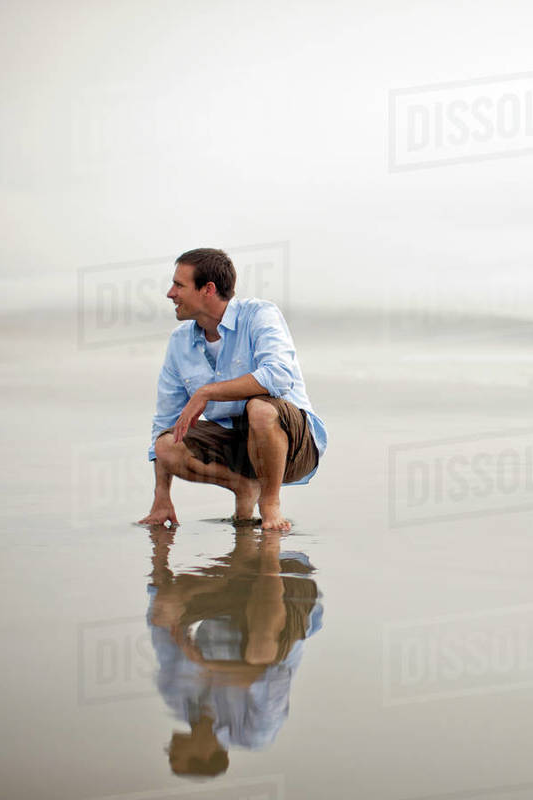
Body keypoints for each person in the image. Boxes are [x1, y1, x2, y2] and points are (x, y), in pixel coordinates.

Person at [138, 248, 327, 531]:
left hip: (293, 445)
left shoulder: (260, 315)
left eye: (179, 285)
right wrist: (161, 496)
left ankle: (270, 504)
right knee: (166, 445)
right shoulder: (179, 342)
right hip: (236, 443)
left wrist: (207, 392)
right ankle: (243, 487)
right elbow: (166, 420)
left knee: (260, 409)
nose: (170, 293)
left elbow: (278, 376)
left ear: (208, 289)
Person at [146, 524, 323, 776]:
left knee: (162, 614)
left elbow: (161, 632)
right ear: (206, 755)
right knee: (259, 654)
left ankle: (166, 541)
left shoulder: (175, 695)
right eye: (176, 755)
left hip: (226, 604)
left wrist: (165, 596)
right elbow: (272, 675)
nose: (168, 749)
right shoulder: (255, 733)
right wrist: (209, 667)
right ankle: (271, 554)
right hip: (287, 611)